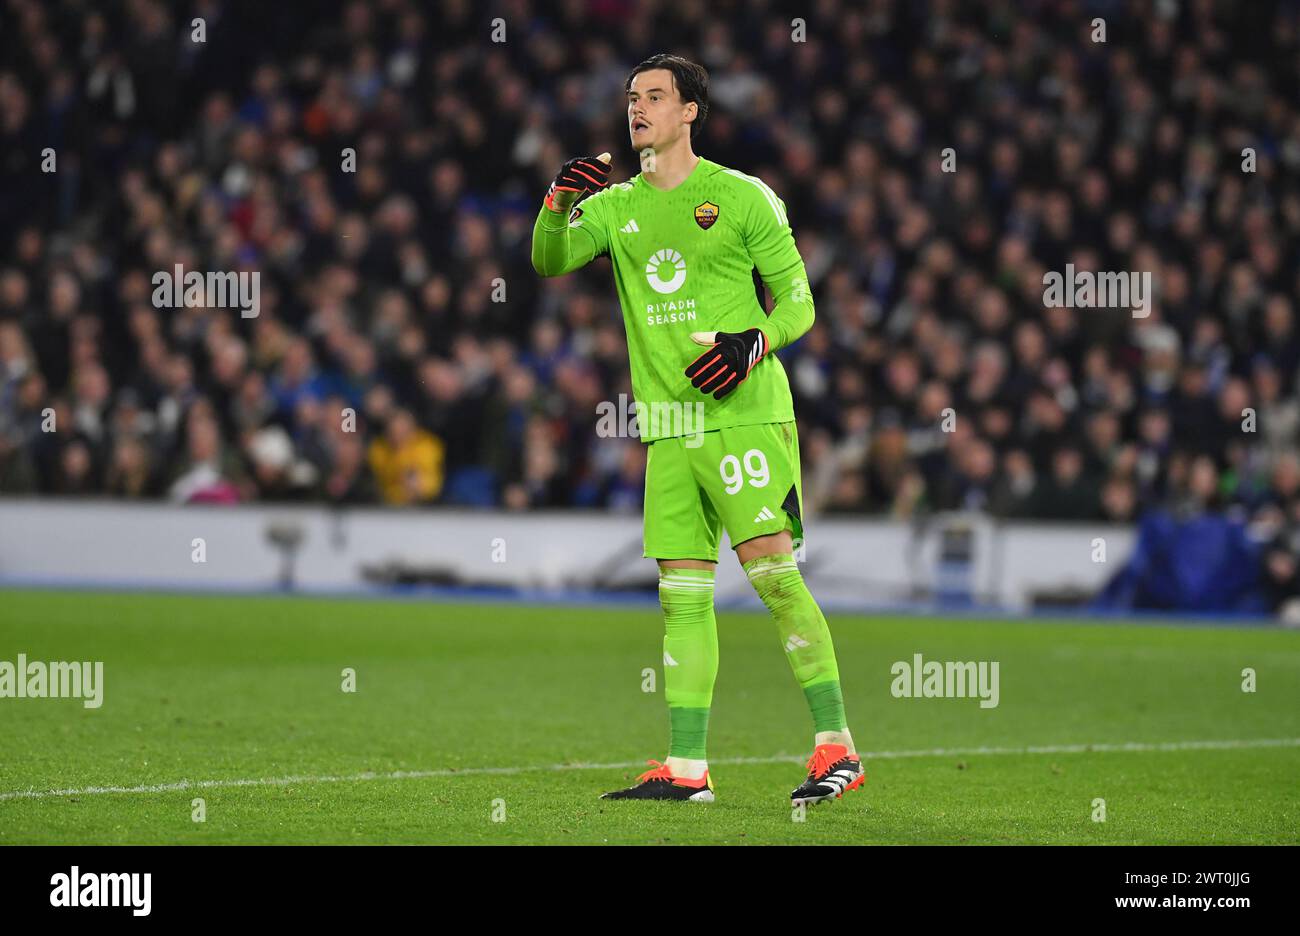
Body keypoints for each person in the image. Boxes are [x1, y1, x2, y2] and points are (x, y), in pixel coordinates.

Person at [532, 53, 862, 805]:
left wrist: (755, 342)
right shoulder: (615, 207)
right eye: (630, 98)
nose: (637, 109)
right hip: (670, 426)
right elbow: (548, 261)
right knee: (681, 594)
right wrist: (556, 203)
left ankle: (837, 746)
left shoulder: (741, 196)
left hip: (744, 416)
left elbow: (800, 302)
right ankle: (688, 768)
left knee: (774, 578)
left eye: (654, 96)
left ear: (690, 112)